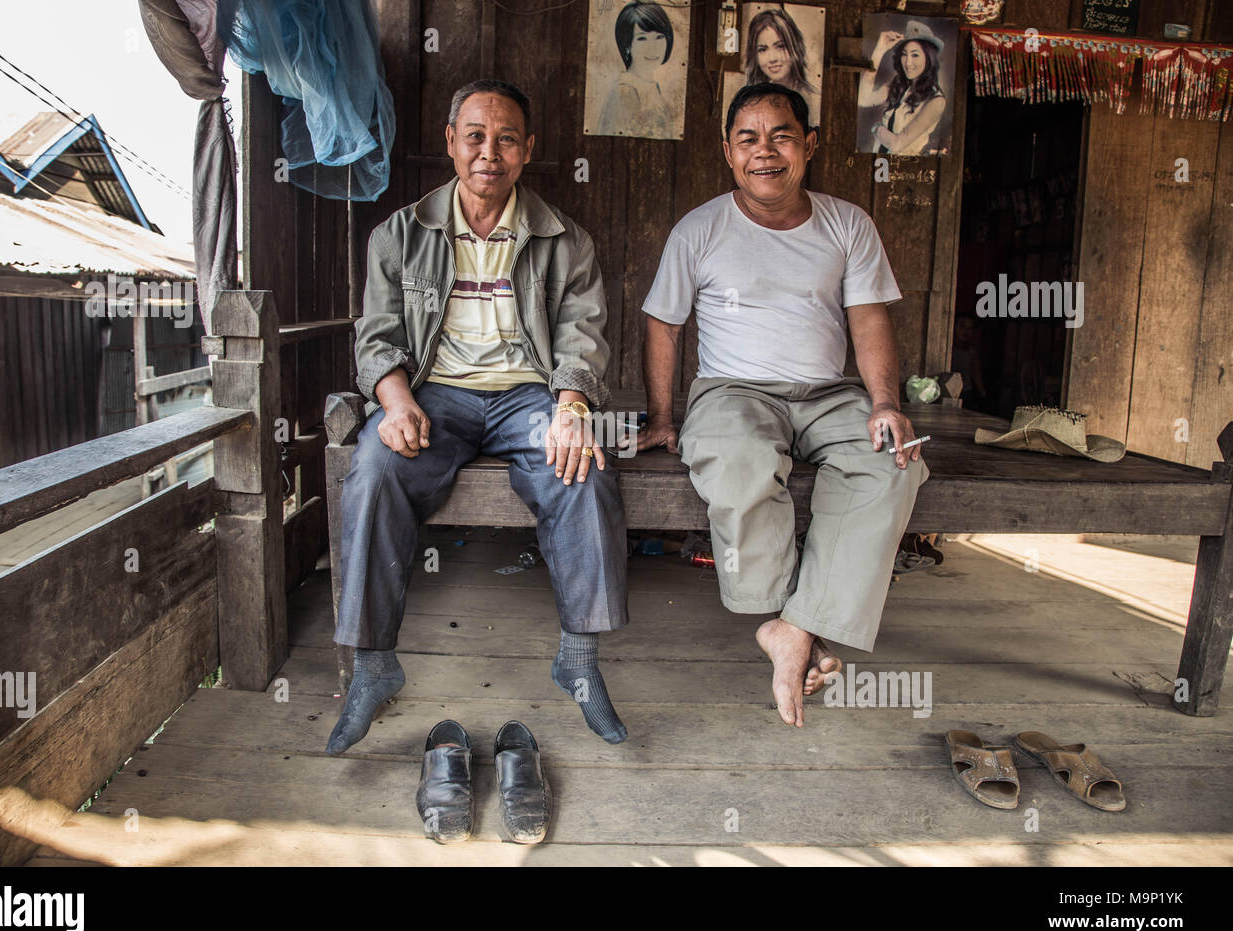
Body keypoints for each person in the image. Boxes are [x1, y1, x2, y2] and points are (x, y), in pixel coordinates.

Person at [327, 79, 630, 755]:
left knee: (584, 470)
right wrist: (396, 398)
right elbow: (376, 337)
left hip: (529, 396)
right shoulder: (400, 235)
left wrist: (572, 406)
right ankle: (373, 666)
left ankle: (578, 663)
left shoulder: (564, 240)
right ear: (450, 143)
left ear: (528, 151)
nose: (488, 152)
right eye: (475, 136)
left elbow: (583, 334)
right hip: (438, 395)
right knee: (374, 467)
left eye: (506, 139)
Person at [635, 82, 928, 728]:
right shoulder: (701, 229)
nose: (764, 151)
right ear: (728, 152)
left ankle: (790, 628)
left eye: (782, 135)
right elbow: (664, 323)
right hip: (732, 393)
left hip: (828, 395)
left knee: (893, 461)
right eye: (748, 138)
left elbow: (870, 321)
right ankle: (782, 615)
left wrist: (885, 403)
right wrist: (662, 418)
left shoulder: (848, 223)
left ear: (810, 145)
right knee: (737, 455)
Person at [858, 20, 947, 156]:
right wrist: (880, 49)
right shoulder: (899, 86)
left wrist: (877, 129)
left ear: (929, 58)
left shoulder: (936, 101)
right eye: (904, 54)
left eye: (915, 55)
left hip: (904, 169)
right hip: (879, 164)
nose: (908, 62)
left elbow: (897, 145)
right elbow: (862, 99)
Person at [596, 1, 677, 138]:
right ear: (627, 45)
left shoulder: (651, 86)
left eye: (659, 37)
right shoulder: (626, 91)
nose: (652, 48)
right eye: (642, 39)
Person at [743, 7, 818, 125]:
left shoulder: (812, 99)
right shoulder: (752, 101)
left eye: (780, 46)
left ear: (795, 47)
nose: (772, 58)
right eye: (762, 50)